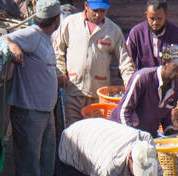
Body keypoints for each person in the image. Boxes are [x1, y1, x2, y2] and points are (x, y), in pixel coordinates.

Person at [6, 1, 62, 176]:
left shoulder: (45, 39)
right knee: (30, 166)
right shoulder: (31, 34)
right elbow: (4, 39)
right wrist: (13, 46)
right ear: (56, 20)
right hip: (29, 112)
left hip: (45, 111)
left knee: (46, 165)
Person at [54, 0, 135, 128]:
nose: (98, 15)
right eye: (95, 11)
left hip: (98, 96)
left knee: (96, 132)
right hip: (73, 91)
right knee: (73, 131)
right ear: (86, 6)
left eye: (102, 11)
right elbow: (57, 50)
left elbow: (125, 62)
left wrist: (131, 86)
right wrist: (60, 72)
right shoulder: (70, 23)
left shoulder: (114, 30)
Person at [111, 43, 178, 136]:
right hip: (121, 131)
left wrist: (169, 129)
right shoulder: (142, 78)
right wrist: (132, 136)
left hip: (148, 135)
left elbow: (166, 113)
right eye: (177, 66)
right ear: (164, 63)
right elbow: (123, 112)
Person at [126, 2, 178, 72]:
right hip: (143, 79)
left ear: (166, 15)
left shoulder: (175, 33)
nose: (155, 22)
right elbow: (127, 62)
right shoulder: (136, 32)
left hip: (168, 80)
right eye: (152, 18)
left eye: (159, 18)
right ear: (146, 15)